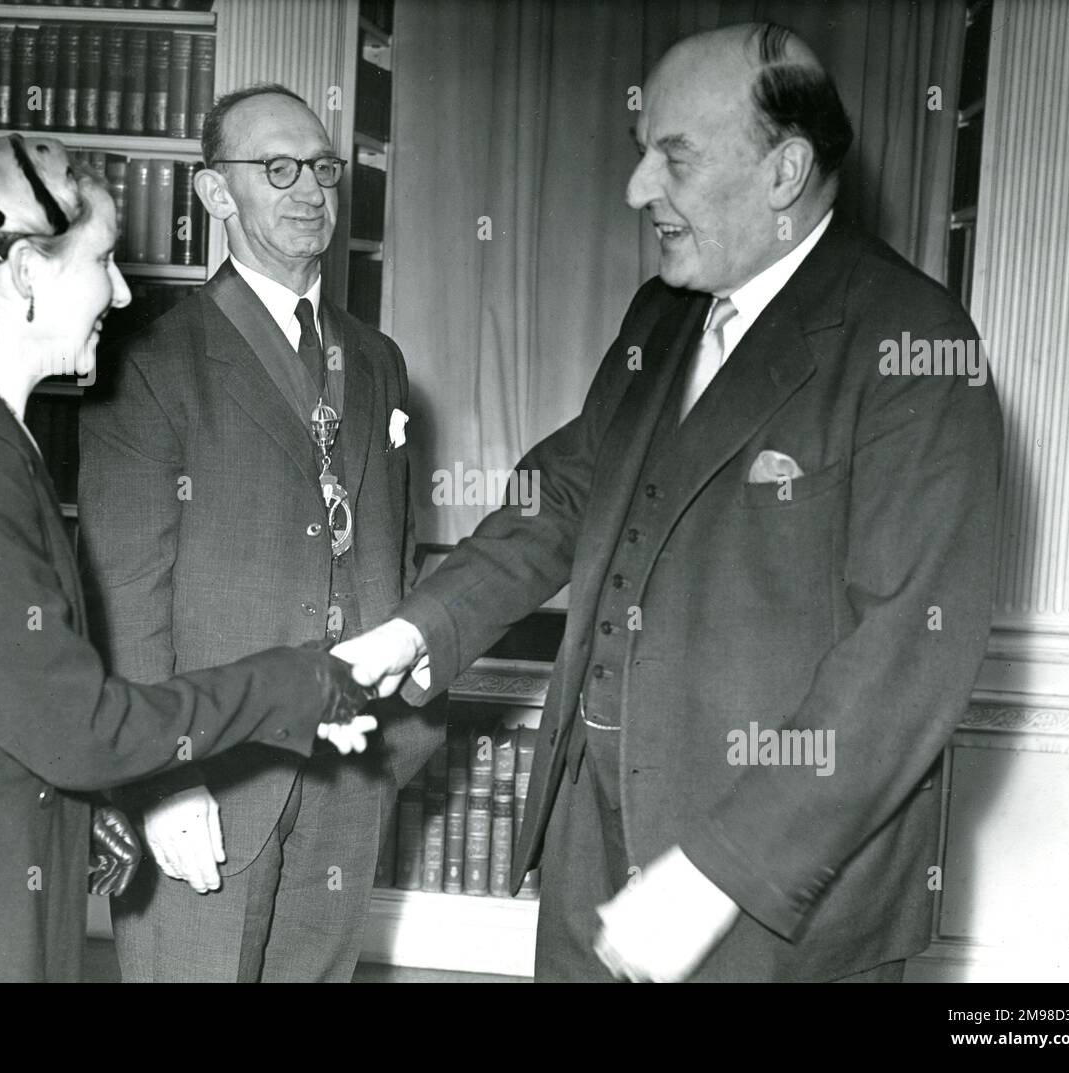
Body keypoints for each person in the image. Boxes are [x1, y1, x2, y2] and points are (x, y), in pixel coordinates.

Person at [334, 23, 1004, 982]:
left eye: (673, 159)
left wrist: (718, 873)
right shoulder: (666, 311)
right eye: (642, 155)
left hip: (771, 903)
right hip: (592, 859)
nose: (638, 189)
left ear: (786, 171)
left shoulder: (915, 345)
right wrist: (421, 627)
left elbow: (904, 659)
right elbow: (567, 489)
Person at [0, 132, 376, 983]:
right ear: (27, 274)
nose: (121, 293)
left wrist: (74, 814)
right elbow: (81, 727)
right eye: (104, 262)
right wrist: (294, 682)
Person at [78, 84, 440, 982]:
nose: (310, 188)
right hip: (211, 777)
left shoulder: (380, 358)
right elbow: (122, 596)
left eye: (322, 166)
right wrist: (159, 776)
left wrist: (402, 732)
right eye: (277, 168)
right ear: (214, 194)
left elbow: (389, 549)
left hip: (349, 769)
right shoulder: (148, 364)